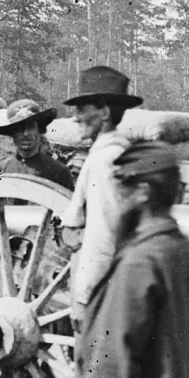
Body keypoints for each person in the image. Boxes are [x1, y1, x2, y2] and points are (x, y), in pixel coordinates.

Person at [62, 142, 189, 378]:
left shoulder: (140, 262)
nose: (117, 197)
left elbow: (112, 361)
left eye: (122, 186)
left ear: (143, 192)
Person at [60, 65, 141, 325]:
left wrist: (84, 298)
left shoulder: (104, 162)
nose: (75, 117)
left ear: (104, 112)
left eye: (83, 109)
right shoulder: (120, 154)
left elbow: (102, 236)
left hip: (101, 294)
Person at [0, 100, 74, 190]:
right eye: (19, 128)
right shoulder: (0, 170)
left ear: (40, 130)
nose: (25, 133)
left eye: (30, 127)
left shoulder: (59, 172)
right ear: (12, 134)